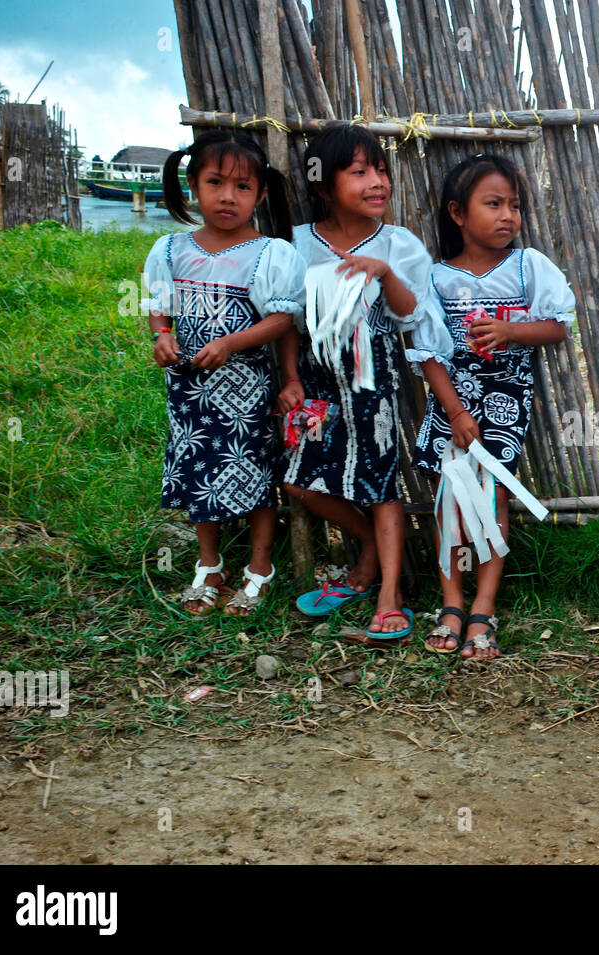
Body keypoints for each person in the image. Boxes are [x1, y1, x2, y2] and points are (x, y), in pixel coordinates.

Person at [278, 123, 459, 642]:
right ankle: (371, 558)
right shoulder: (296, 247)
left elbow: (411, 316)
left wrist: (383, 273)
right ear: (322, 185)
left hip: (372, 384)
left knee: (380, 486)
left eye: (380, 170)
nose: (377, 181)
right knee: (298, 479)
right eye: (359, 172)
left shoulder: (397, 245)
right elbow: (290, 319)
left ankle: (388, 593)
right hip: (314, 385)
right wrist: (289, 377)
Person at [413, 153, 575, 660]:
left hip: (505, 400)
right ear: (458, 213)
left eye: (515, 205)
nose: (508, 215)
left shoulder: (528, 268)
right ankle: (451, 603)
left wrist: (510, 331)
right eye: (494, 204)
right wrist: (456, 413)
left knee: (490, 496)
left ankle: (484, 606)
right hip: (451, 401)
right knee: (448, 499)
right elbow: (427, 354)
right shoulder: (435, 279)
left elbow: (558, 326)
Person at [144, 131, 304, 616]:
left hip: (248, 392)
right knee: (199, 474)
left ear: (260, 194)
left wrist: (232, 343)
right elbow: (159, 307)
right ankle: (209, 565)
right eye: (215, 182)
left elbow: (284, 319)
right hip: (189, 388)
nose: (228, 196)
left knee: (254, 475)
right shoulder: (170, 250)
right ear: (194, 185)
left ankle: (260, 567)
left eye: (242, 186)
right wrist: (160, 336)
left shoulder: (271, 254)